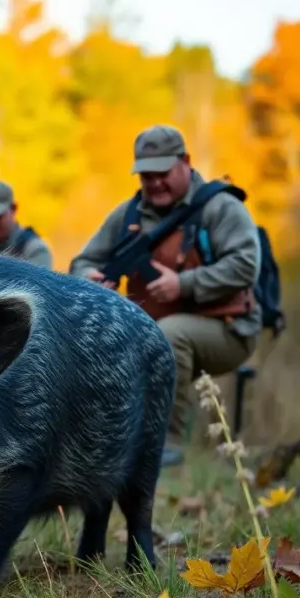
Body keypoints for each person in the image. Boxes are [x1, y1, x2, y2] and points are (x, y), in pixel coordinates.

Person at [69, 125, 261, 468]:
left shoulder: (220, 207)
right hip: (154, 329)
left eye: (162, 172)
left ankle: (166, 446)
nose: (154, 182)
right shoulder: (127, 215)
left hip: (229, 329)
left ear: (185, 162)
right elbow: (84, 260)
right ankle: (98, 448)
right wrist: (89, 280)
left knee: (169, 335)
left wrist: (185, 284)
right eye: (146, 175)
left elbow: (246, 264)